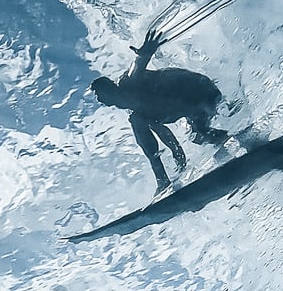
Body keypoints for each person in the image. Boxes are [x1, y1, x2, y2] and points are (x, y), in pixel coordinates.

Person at [90, 40, 238, 193]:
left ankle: (162, 180)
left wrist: (144, 53)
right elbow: (162, 131)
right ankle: (234, 141)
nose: (98, 99)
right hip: (194, 103)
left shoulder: (127, 83)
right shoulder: (138, 112)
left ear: (110, 87)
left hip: (199, 89)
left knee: (138, 121)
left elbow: (137, 68)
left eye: (98, 94)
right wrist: (178, 153)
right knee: (198, 136)